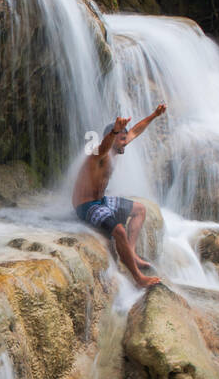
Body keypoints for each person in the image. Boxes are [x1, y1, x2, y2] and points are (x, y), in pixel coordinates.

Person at [71, 104, 167, 286]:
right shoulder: (98, 153)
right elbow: (106, 143)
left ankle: (131, 254)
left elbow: (136, 131)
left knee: (140, 209)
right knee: (119, 231)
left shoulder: (117, 148)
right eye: (122, 139)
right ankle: (138, 277)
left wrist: (154, 114)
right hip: (86, 205)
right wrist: (115, 131)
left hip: (101, 200)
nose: (126, 142)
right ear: (113, 138)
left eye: (125, 139)